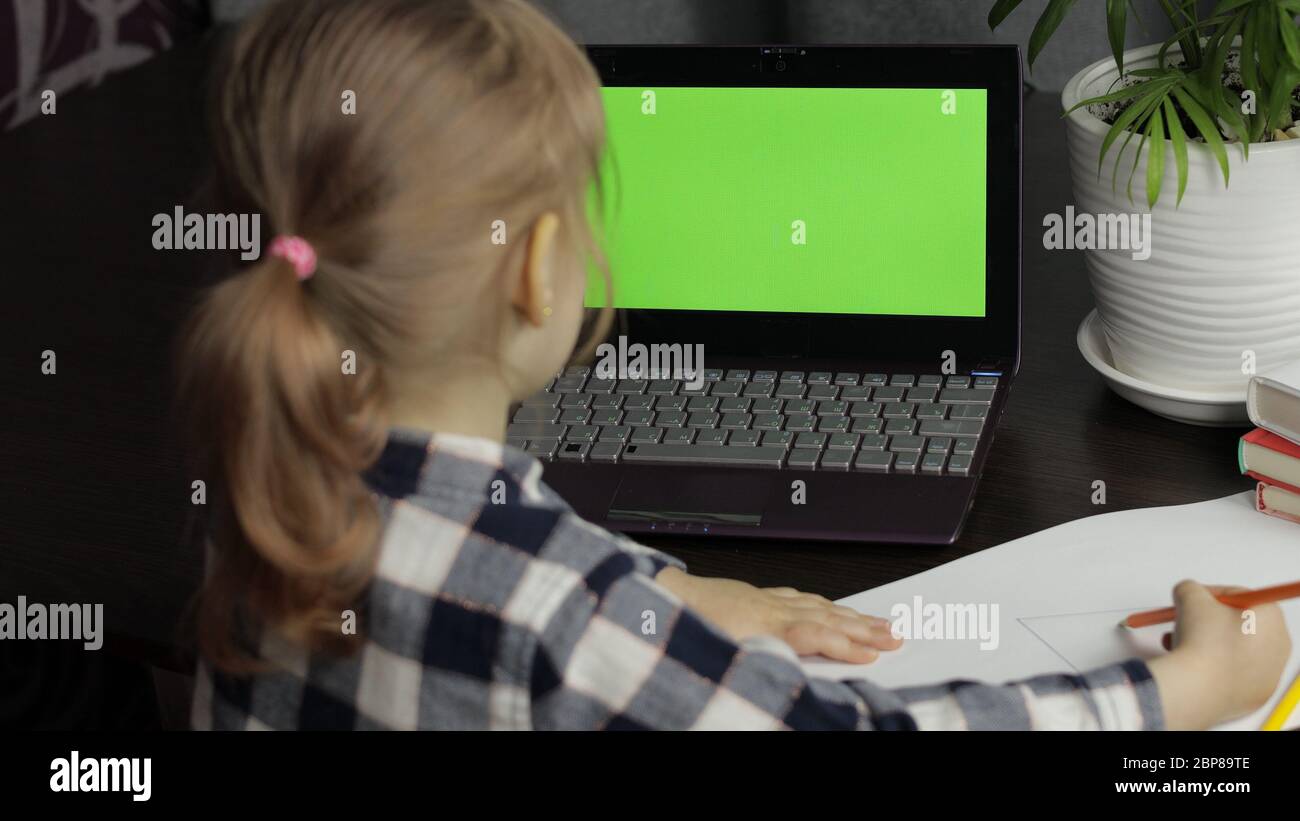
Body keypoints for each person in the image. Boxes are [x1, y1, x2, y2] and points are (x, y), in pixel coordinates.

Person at [179, 0, 1289, 730]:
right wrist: (1176, 689)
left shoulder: (262, 486)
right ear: (542, 272)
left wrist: (674, 586)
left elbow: (475, 548)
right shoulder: (559, 619)